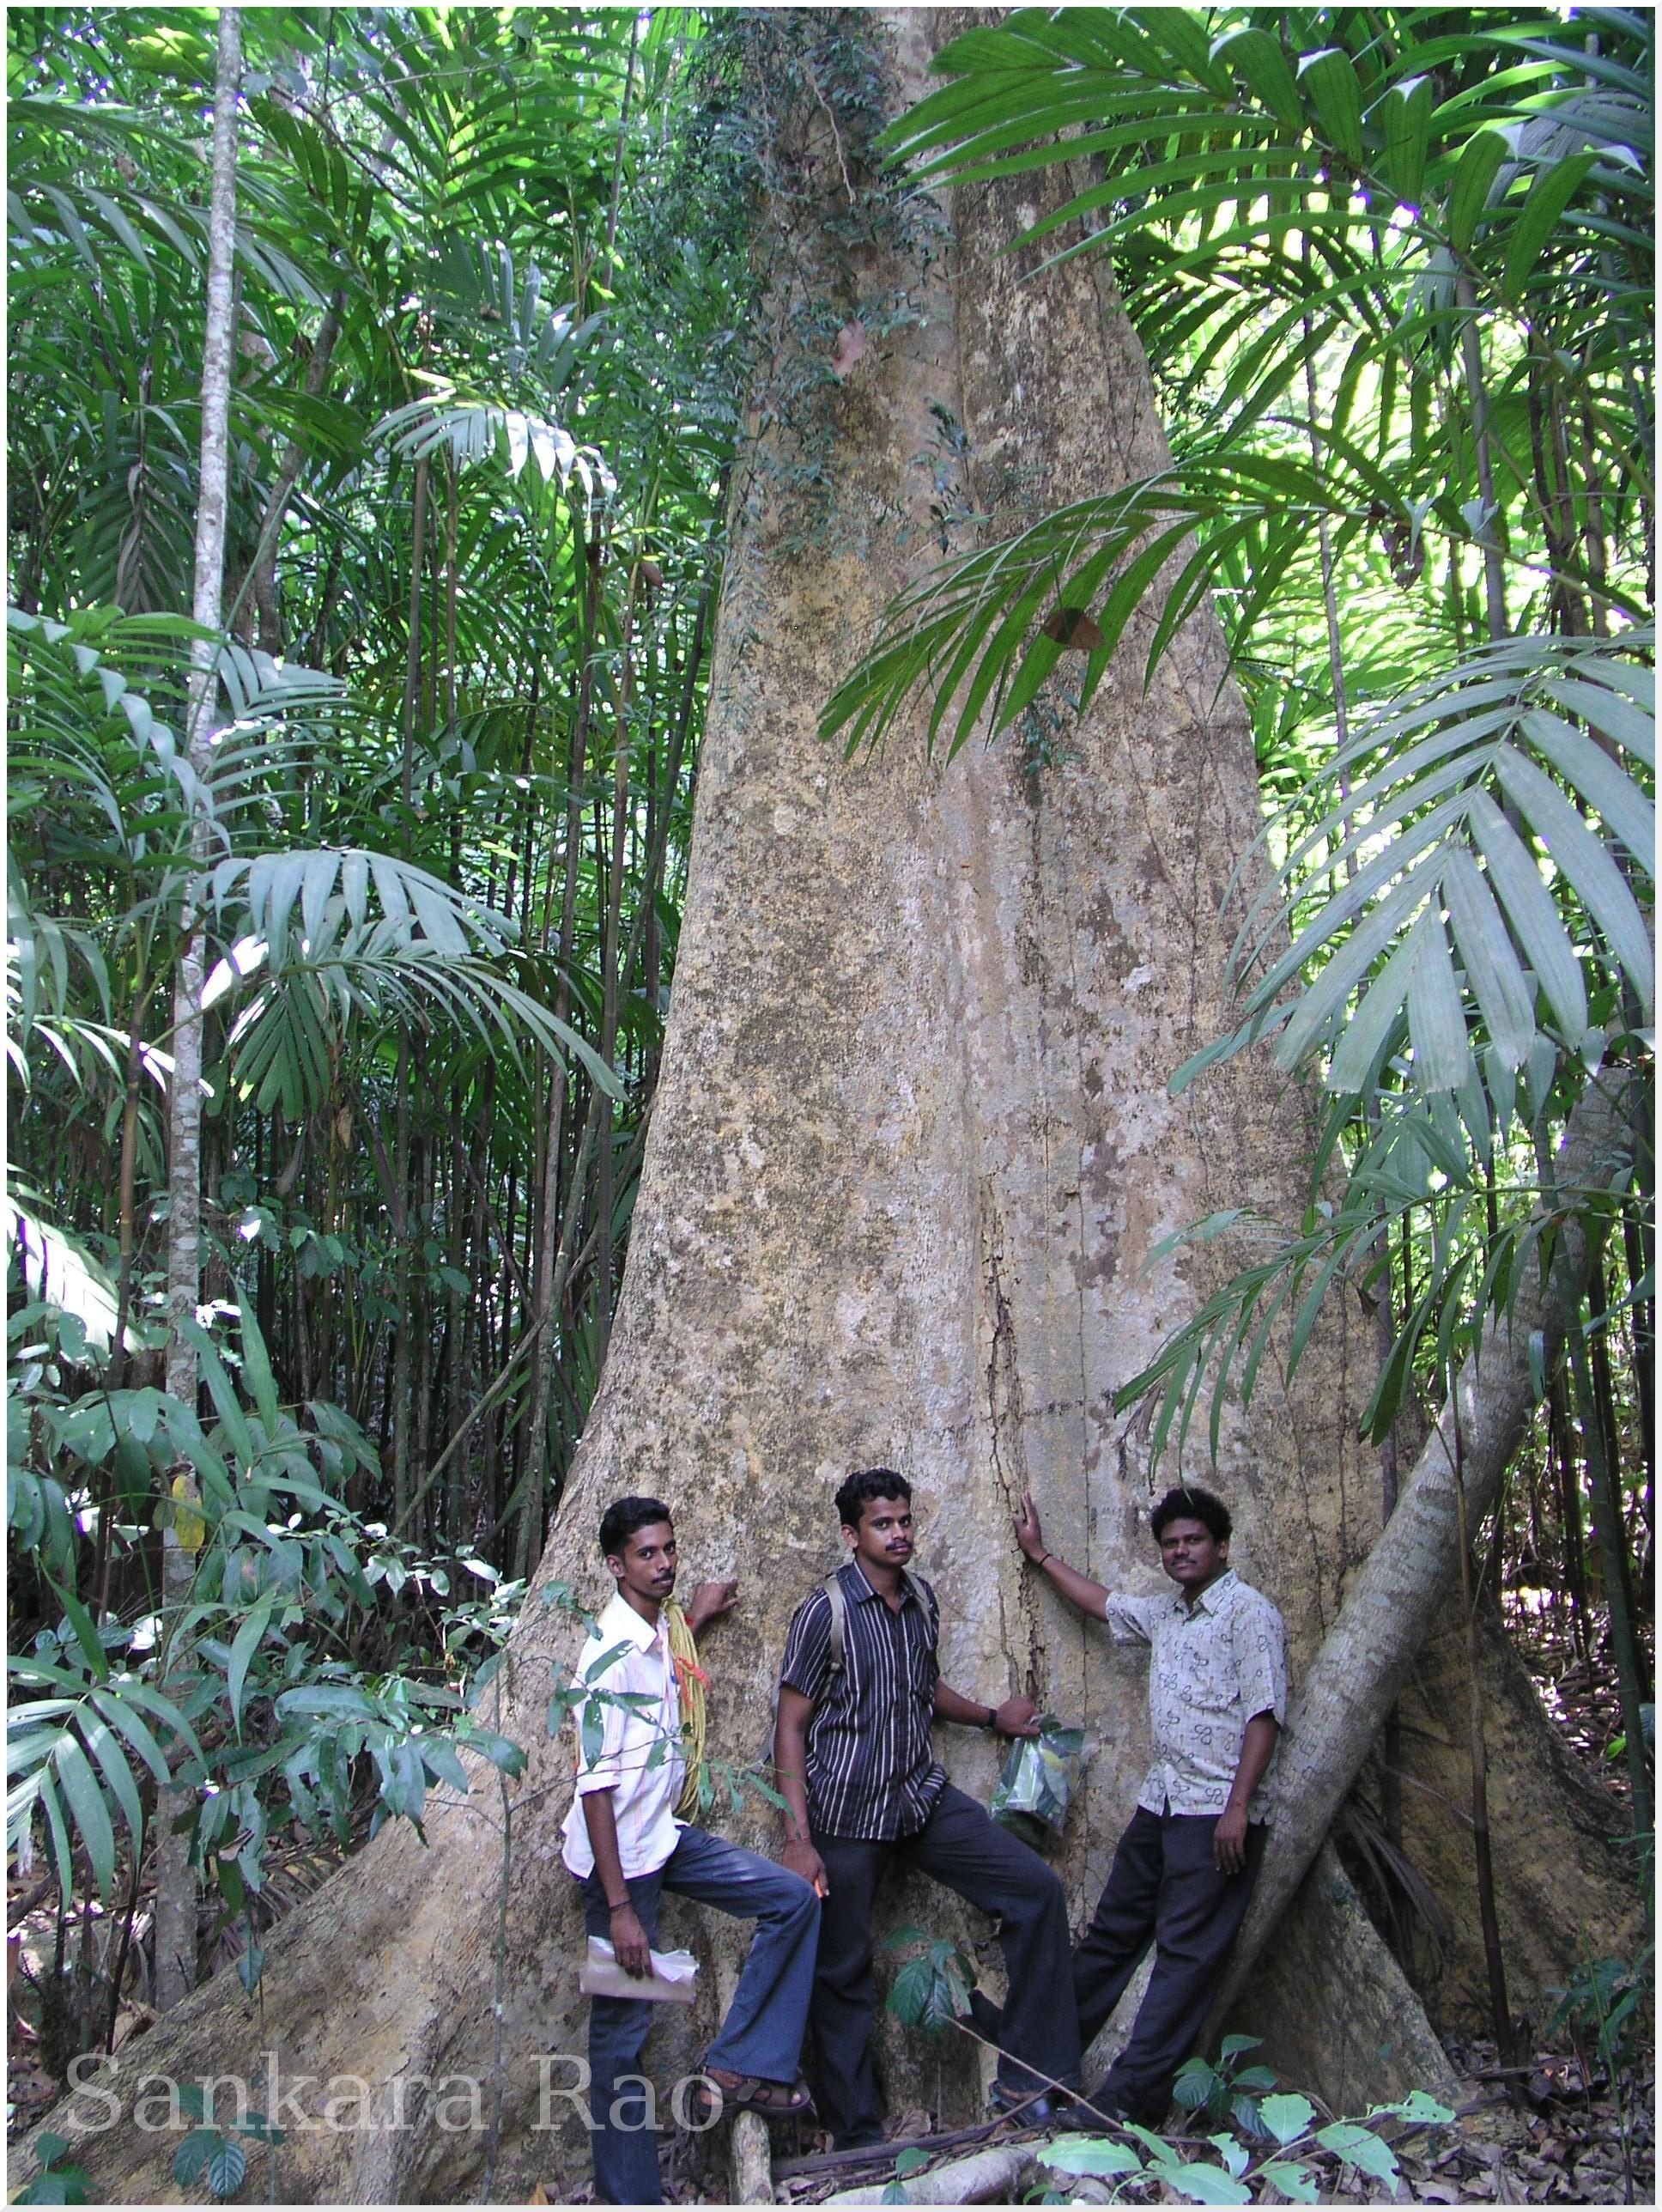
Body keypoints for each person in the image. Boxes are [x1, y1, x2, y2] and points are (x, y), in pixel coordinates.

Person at [773, 1468, 1083, 2148]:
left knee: (1036, 1891)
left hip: (919, 1798)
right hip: (847, 1814)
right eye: (883, 1524)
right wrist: (799, 1838)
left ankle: (1033, 2080)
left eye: (906, 1521)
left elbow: (924, 1685)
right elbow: (789, 1727)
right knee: (842, 1971)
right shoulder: (823, 1613)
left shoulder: (920, 1600)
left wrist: (990, 1718)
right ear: (853, 1535)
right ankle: (856, 2134)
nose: (900, 1534)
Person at [561, 1496, 819, 2204]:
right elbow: (595, 1790)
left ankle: (739, 2065)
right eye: (647, 1554)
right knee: (622, 2037)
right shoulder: (606, 1658)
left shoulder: (659, 1628)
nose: (665, 1563)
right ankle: (630, 2196)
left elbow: (668, 1665)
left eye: (669, 1549)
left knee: (791, 1900)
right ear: (615, 1565)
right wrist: (620, 1910)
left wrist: (698, 1614)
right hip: (622, 1867)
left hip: (665, 1839)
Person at [1013, 1481, 1288, 2126]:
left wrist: (1238, 1808)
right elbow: (1104, 1605)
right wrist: (1040, 1555)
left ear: (1221, 1547)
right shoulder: (1169, 1614)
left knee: (1185, 1962)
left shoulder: (1249, 1614)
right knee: (1112, 1935)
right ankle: (1042, 2063)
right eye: (1170, 1545)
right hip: (1161, 1804)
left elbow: (1265, 1714)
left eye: (1193, 1540)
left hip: (1216, 1813)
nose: (1181, 1552)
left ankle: (1122, 2104)